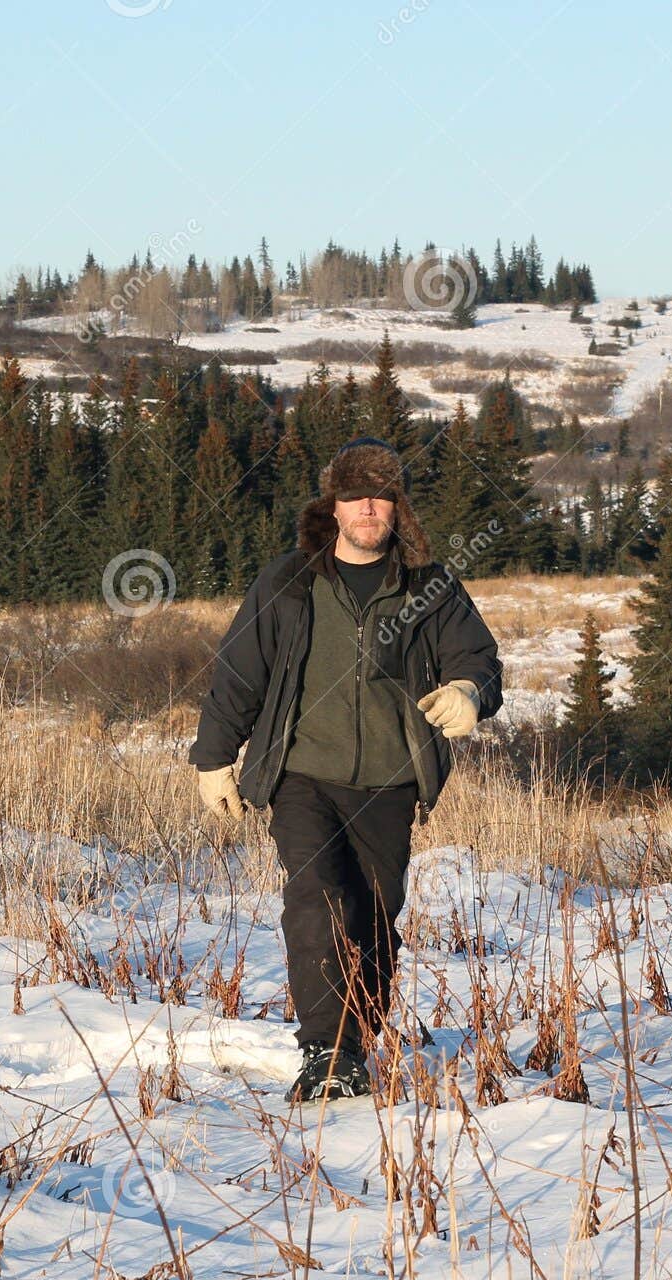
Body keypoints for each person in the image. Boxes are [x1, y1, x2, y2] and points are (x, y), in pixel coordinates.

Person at [189, 436, 503, 1103]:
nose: (368, 507)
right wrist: (215, 757)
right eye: (355, 494)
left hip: (390, 783)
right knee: (319, 901)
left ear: (397, 508)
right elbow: (240, 674)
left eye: (382, 495)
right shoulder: (290, 582)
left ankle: (359, 1039)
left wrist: (471, 691)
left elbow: (478, 657)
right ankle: (327, 1053)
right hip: (303, 777)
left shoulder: (430, 587)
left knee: (374, 915)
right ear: (333, 505)